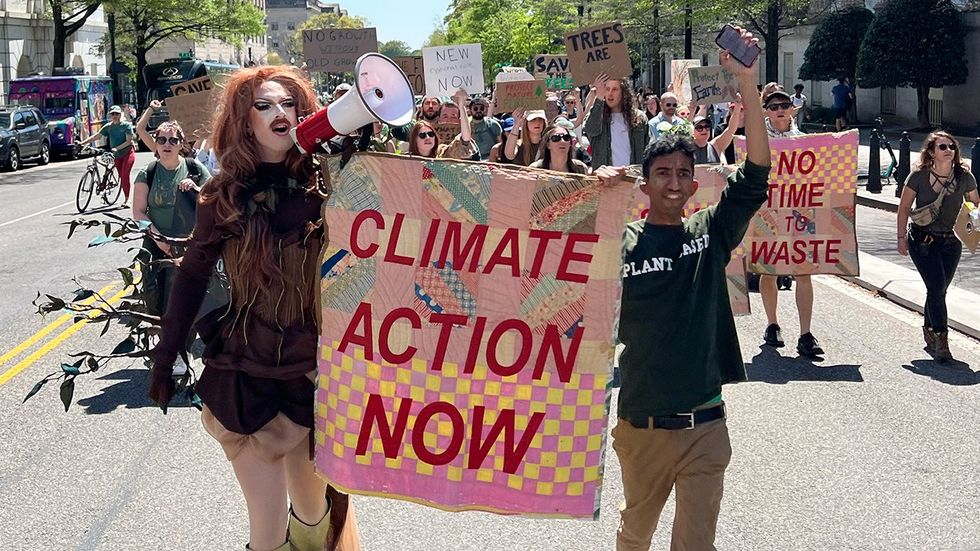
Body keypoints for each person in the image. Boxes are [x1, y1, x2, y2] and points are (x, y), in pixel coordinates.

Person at [148, 65, 358, 551]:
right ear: (245, 120)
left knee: (313, 516)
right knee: (267, 529)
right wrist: (165, 355)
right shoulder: (221, 196)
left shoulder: (329, 188)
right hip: (244, 372)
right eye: (264, 105)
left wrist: (358, 155)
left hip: (312, 371)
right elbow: (193, 276)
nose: (278, 112)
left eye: (288, 103)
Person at [596, 26, 770, 550]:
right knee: (635, 537)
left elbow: (756, 173)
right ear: (644, 183)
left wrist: (748, 83)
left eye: (682, 174)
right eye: (662, 173)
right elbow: (552, 256)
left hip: (705, 427)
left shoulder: (709, 234)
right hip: (641, 426)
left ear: (695, 185)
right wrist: (591, 196)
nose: (673, 182)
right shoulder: (618, 244)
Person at [897, 132, 978, 361]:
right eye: (943, 147)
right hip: (922, 240)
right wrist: (901, 238)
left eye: (952, 147)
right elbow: (904, 208)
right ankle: (941, 341)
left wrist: (972, 227)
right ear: (931, 152)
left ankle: (929, 327)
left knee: (938, 289)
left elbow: (975, 203)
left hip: (951, 242)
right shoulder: (918, 176)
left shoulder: (964, 176)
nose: (949, 150)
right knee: (936, 287)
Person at [757, 88, 823, 358]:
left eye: (784, 105)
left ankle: (806, 334)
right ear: (766, 112)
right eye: (774, 107)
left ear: (792, 109)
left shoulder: (804, 141)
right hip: (768, 213)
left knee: (803, 272)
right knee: (769, 270)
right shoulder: (758, 142)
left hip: (799, 213)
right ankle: (772, 324)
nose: (780, 110)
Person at [583, 73, 649, 169]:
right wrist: (599, 98)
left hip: (633, 175)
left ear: (623, 92)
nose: (610, 93)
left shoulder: (639, 117)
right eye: (607, 89)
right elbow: (590, 130)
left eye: (615, 89)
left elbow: (647, 150)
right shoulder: (597, 116)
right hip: (606, 176)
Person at [78, 105, 136, 206]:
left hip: (127, 153)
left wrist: (117, 148)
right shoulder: (109, 127)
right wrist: (82, 143)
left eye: (117, 114)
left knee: (124, 175)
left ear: (120, 114)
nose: (115, 116)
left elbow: (128, 141)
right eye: (113, 114)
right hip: (117, 155)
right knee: (121, 176)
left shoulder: (126, 126)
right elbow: (96, 136)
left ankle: (127, 200)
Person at [691, 100, 742, 165]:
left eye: (707, 126)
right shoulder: (686, 149)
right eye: (699, 127)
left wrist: (737, 108)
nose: (704, 130)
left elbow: (731, 129)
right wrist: (691, 110)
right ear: (692, 130)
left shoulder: (715, 146)